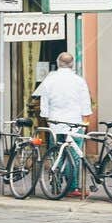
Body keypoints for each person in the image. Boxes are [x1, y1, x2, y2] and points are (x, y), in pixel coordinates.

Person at [34, 52, 95, 190]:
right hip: (74, 123)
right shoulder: (79, 81)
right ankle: (72, 187)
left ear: (57, 62)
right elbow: (86, 103)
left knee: (56, 153)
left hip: (55, 123)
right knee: (73, 155)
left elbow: (44, 103)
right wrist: (85, 121)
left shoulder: (49, 80)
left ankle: (55, 186)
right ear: (72, 64)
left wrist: (47, 118)